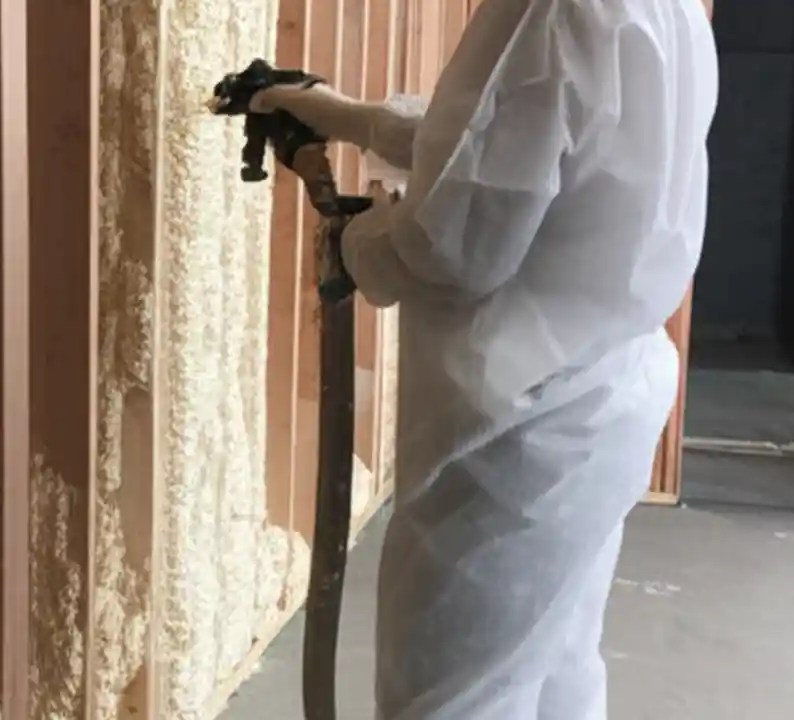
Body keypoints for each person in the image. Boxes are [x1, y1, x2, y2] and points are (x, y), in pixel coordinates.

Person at [249, 0, 718, 717]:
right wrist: (340, 114)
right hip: (600, 398)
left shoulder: (546, 9)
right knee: (553, 670)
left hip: (519, 428)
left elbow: (457, 245)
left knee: (459, 697)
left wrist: (355, 242)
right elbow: (503, 146)